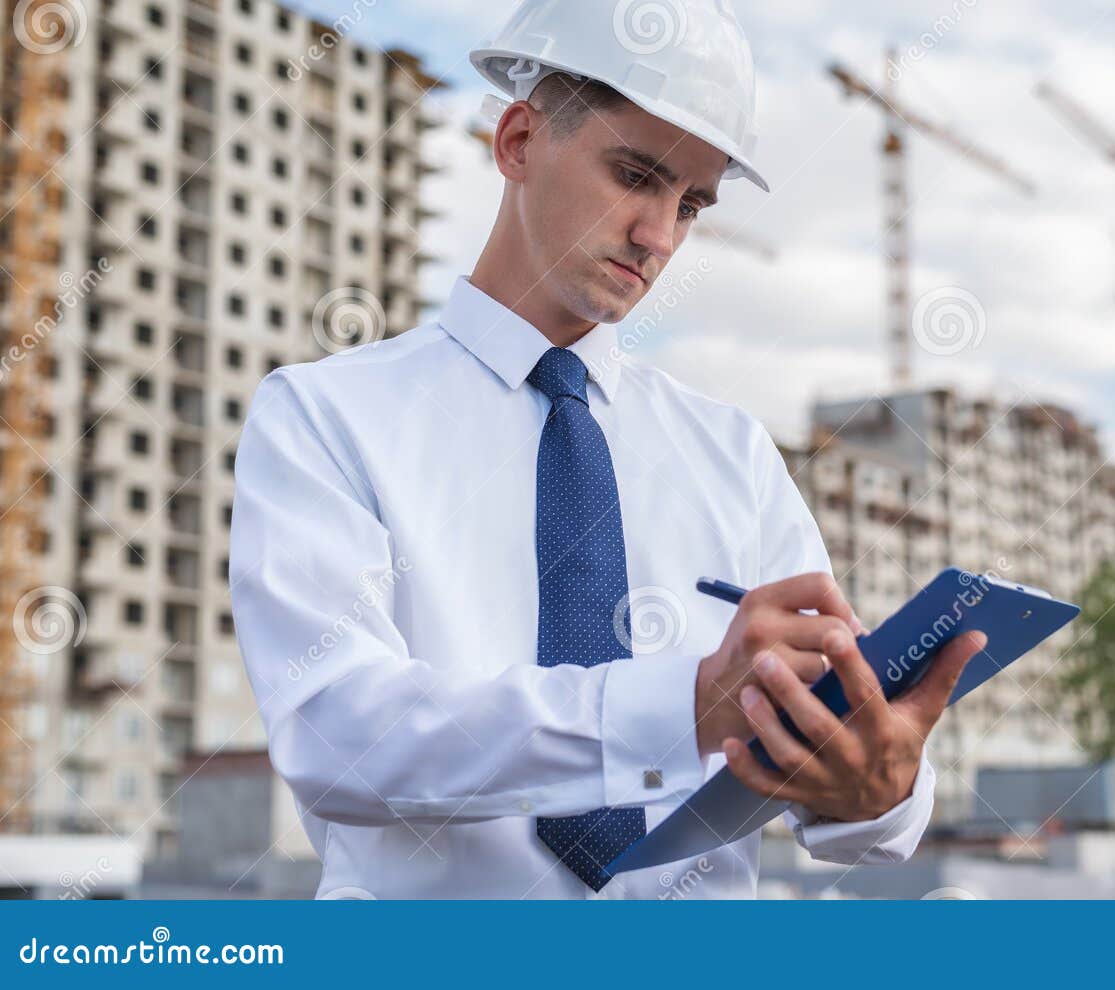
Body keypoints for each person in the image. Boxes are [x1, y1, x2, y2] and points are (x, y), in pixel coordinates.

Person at [228, 0, 985, 899]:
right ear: (517, 141)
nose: (659, 236)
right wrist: (680, 709)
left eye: (691, 204)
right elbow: (336, 737)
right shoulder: (326, 416)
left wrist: (881, 785)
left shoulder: (734, 454)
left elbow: (841, 815)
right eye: (636, 175)